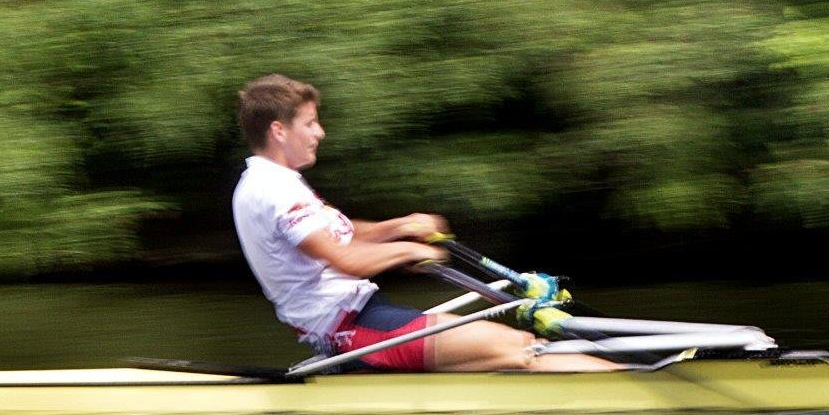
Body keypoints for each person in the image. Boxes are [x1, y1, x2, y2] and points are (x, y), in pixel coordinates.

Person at [230, 75, 616, 374]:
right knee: (520, 348)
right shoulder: (273, 189)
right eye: (310, 123)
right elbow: (344, 260)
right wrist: (411, 250)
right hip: (349, 331)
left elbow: (341, 233)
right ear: (279, 131)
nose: (320, 133)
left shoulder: (274, 183)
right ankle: (630, 387)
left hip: (366, 317)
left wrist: (401, 226)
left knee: (510, 345)